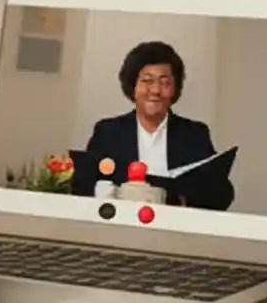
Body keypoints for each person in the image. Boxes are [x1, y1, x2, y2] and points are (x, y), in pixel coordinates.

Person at [83, 41, 234, 210]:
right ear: (132, 86)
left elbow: (222, 196)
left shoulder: (194, 134)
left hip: (175, 228)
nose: (155, 90)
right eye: (147, 81)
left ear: (175, 88)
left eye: (164, 82)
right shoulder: (108, 132)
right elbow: (85, 188)